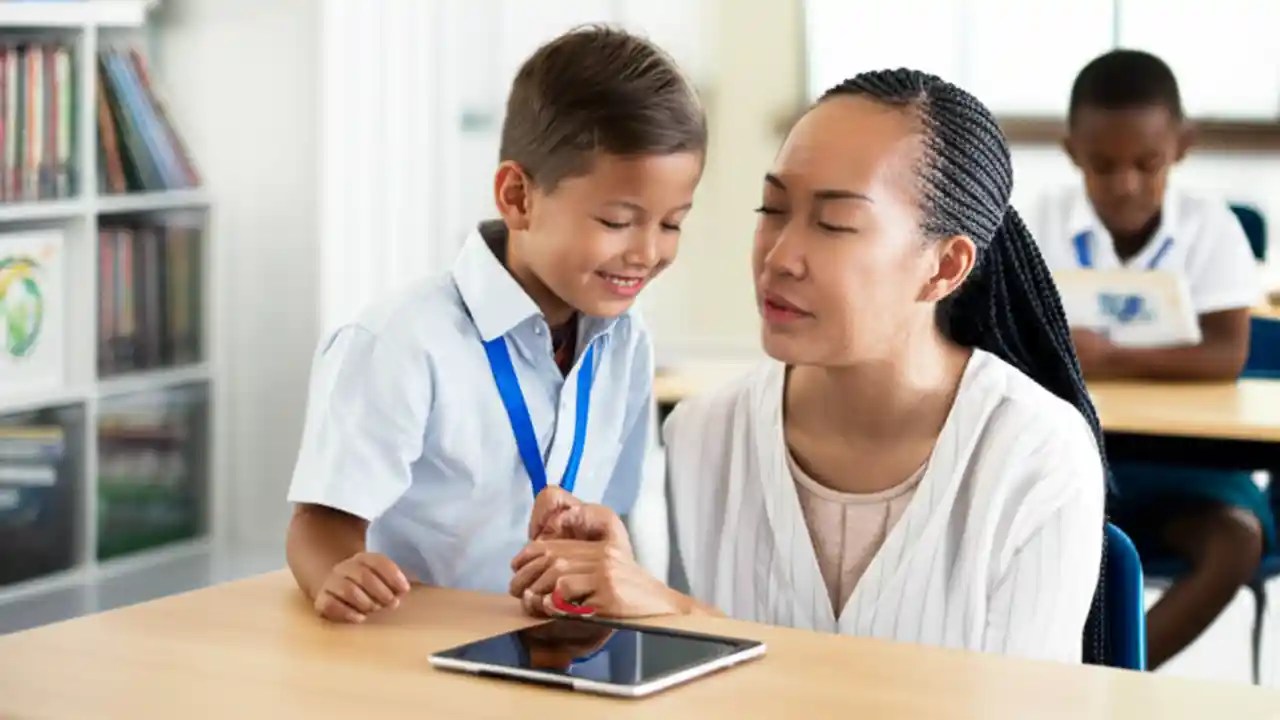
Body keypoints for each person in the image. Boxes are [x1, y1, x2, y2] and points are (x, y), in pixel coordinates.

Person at [511, 69, 1107, 663]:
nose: (779, 255)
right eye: (772, 209)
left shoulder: (1036, 456)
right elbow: (696, 694)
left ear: (944, 267)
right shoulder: (704, 434)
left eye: (834, 224)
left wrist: (681, 615)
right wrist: (606, 621)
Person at [284, 26, 706, 623]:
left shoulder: (626, 342)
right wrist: (338, 574)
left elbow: (612, 518)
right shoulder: (401, 342)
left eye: (672, 224)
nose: (647, 252)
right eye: (618, 220)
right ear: (518, 197)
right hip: (413, 658)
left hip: (554, 647)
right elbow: (320, 522)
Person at [1028, 49, 1270, 668]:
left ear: (1182, 146)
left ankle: (1107, 683)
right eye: (1103, 166)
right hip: (1073, 455)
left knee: (1236, 539)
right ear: (1071, 149)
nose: (1125, 183)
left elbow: (1225, 354)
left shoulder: (1212, 227)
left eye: (1147, 163)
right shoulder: (1038, 224)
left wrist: (1104, 356)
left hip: (1187, 465)